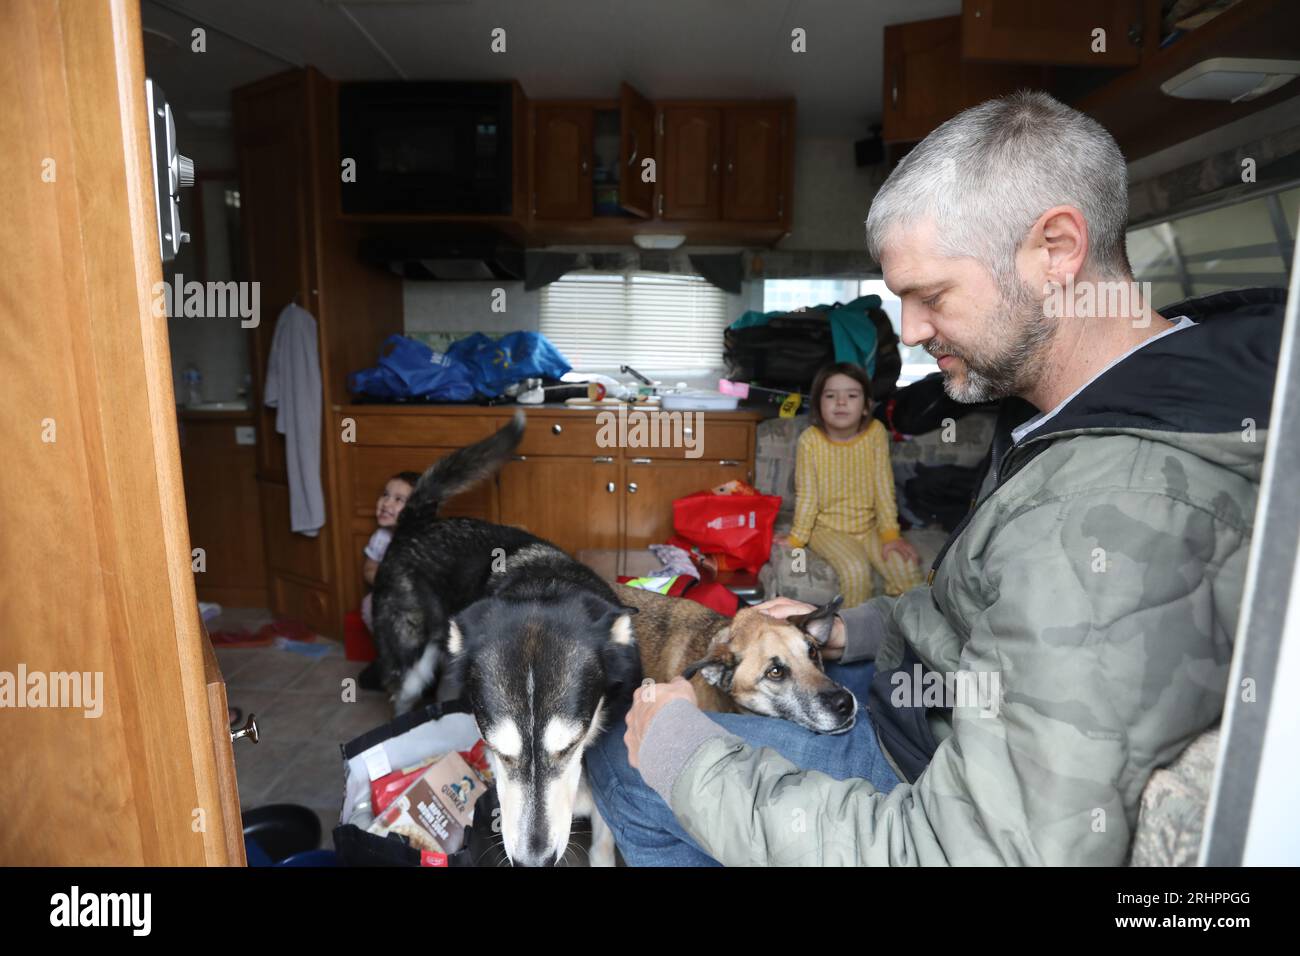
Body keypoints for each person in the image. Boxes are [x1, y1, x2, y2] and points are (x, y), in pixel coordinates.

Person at [584, 91, 1283, 865]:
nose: (910, 332)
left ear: (1055, 249)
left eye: (932, 295)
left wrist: (686, 755)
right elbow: (992, 613)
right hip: (918, 713)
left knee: (624, 760)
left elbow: (970, 851)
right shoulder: (1100, 405)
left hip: (911, 772)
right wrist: (857, 629)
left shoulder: (1116, 510)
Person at [776, 362, 922, 606]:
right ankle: (853, 639)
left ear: (866, 407)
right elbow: (807, 497)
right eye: (831, 396)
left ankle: (905, 639)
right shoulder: (810, 441)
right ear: (819, 405)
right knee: (856, 571)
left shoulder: (875, 433)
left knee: (905, 568)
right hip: (827, 530)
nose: (841, 402)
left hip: (870, 528)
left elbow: (884, 488)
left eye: (852, 396)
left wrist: (890, 536)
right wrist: (796, 539)